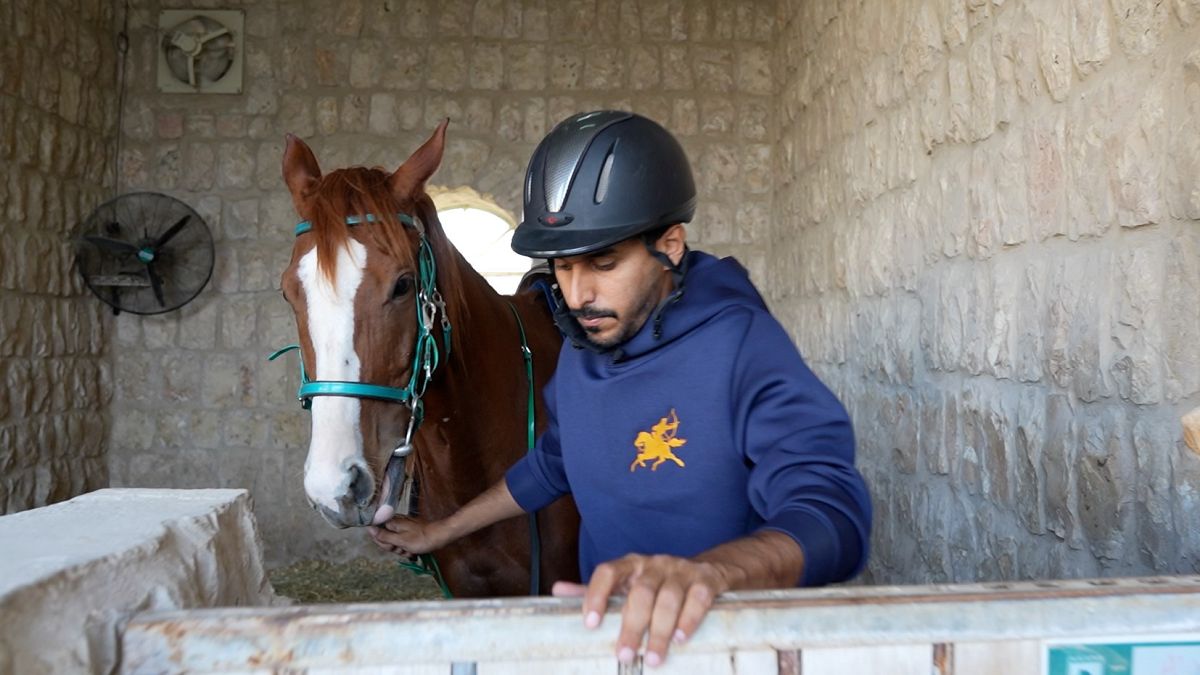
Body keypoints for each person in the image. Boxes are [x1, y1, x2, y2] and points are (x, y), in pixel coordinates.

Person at [370, 110, 872, 666]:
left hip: (731, 652)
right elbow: (552, 466)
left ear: (670, 245)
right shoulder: (583, 350)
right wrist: (442, 531)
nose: (578, 294)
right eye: (562, 267)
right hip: (613, 650)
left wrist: (711, 573)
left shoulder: (742, 345)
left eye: (603, 263)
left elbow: (832, 514)